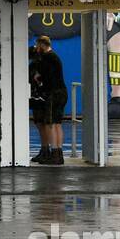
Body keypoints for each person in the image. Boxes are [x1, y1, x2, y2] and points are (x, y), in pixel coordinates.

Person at [33, 35, 68, 165]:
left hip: (53, 94)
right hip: (61, 92)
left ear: (42, 45)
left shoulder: (47, 58)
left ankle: (54, 153)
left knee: (50, 124)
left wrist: (38, 77)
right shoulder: (55, 56)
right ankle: (58, 153)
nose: (36, 49)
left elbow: (43, 76)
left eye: (37, 46)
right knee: (57, 123)